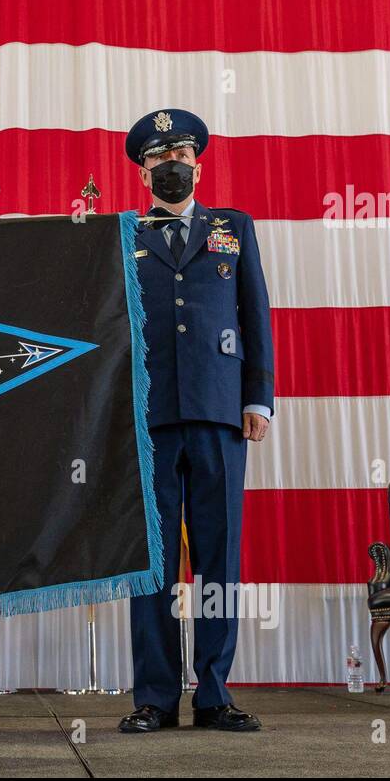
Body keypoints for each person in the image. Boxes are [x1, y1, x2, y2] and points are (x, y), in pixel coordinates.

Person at [119, 108, 274, 734]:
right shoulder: (121, 232)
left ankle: (212, 693)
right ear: (142, 170)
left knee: (218, 558)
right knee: (153, 561)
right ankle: (154, 697)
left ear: (198, 163)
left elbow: (254, 309)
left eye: (180, 153)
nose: (170, 164)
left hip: (217, 411)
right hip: (147, 416)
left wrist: (257, 398)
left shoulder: (232, 228)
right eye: (158, 158)